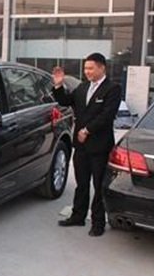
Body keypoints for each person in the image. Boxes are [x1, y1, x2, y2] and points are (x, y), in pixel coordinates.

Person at [52, 54, 121, 237]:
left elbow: (107, 116)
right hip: (81, 146)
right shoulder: (83, 87)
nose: (87, 72)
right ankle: (78, 216)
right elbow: (65, 101)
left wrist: (87, 130)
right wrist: (58, 86)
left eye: (91, 68)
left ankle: (98, 223)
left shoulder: (112, 89)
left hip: (100, 146)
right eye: (85, 68)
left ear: (102, 68)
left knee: (98, 185)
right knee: (81, 183)